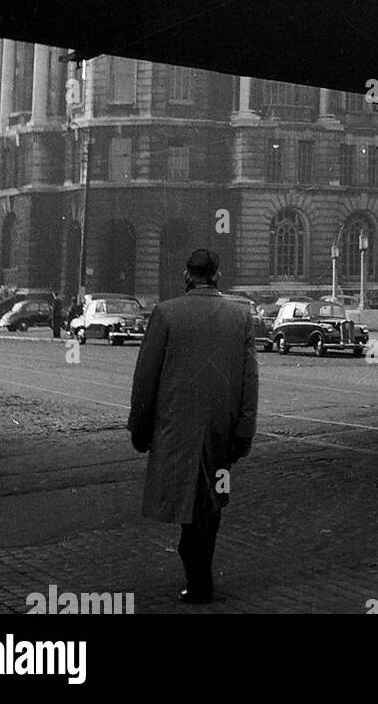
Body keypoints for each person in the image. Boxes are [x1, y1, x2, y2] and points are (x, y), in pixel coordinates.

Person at [127, 248, 258, 605]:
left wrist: (139, 427)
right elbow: (249, 380)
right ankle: (201, 577)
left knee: (188, 502)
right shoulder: (240, 315)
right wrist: (244, 431)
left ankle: (199, 579)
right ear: (217, 275)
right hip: (222, 433)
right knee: (212, 502)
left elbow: (146, 378)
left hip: (175, 430)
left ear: (187, 275)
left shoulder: (166, 313)